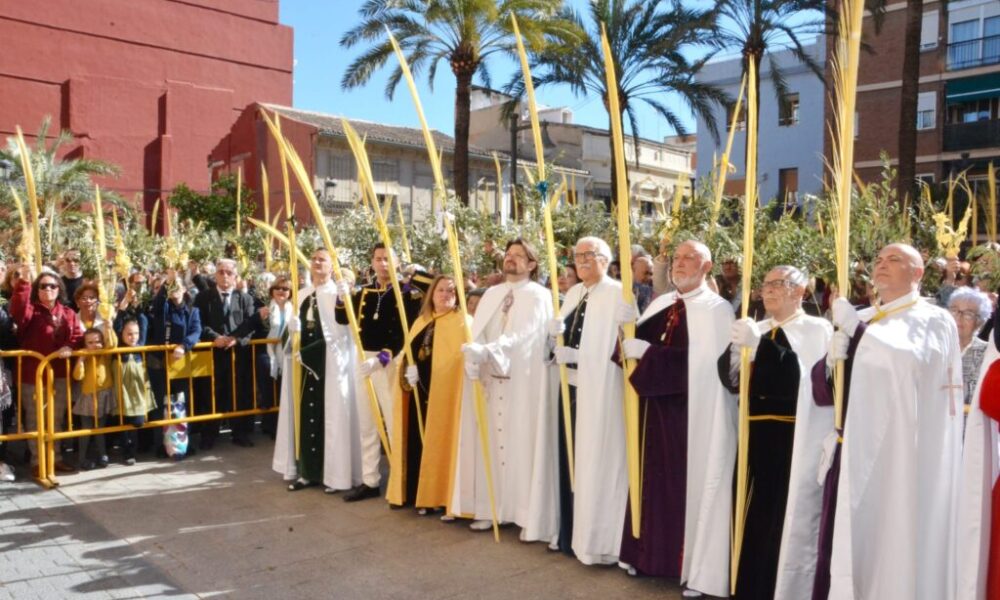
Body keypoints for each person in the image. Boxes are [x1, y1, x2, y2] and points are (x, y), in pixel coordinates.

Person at [814, 243, 962, 600]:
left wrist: (859, 334)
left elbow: (908, 366)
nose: (881, 265)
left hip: (899, 456)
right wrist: (830, 364)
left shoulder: (934, 319)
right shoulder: (863, 317)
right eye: (878, 259)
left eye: (894, 260)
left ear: (918, 274)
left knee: (889, 541)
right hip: (851, 449)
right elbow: (824, 395)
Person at [615, 240, 735, 598]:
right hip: (652, 413)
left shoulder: (716, 309)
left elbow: (703, 368)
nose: (680, 264)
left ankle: (683, 563)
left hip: (690, 418)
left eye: (689, 258)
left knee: (680, 488)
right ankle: (645, 555)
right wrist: (627, 332)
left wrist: (648, 353)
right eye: (677, 258)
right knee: (649, 482)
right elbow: (629, 355)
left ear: (707, 266)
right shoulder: (662, 301)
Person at [721, 266, 833, 600]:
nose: (768, 290)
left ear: (800, 291)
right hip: (752, 430)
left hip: (789, 436)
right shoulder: (761, 326)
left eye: (779, 284)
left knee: (777, 515)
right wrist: (734, 353)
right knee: (749, 511)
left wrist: (762, 348)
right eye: (765, 284)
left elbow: (804, 380)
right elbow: (733, 381)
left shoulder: (816, 328)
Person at [452, 239, 557, 543]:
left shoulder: (539, 296)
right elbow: (480, 329)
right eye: (508, 255)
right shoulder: (493, 293)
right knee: (488, 440)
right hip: (490, 379)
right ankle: (490, 508)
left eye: (518, 256)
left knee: (521, 444)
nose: (510, 259)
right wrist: (475, 354)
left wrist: (489, 351)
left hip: (521, 383)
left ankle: (525, 513)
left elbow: (526, 337)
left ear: (532, 264)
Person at [549, 236, 628, 565]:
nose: (581, 260)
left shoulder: (616, 294)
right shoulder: (574, 293)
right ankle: (569, 532)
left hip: (599, 391)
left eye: (589, 255)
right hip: (569, 386)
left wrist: (579, 355)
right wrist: (552, 338)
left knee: (594, 459)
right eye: (577, 255)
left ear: (605, 260)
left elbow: (617, 347)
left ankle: (595, 539)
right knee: (569, 458)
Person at [335, 243, 430, 502]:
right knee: (367, 423)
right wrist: (341, 297)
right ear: (372, 262)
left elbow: (405, 330)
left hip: (389, 359)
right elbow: (344, 319)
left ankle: (400, 481)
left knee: (393, 421)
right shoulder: (364, 291)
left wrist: (384, 358)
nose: (383, 264)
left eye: (388, 259)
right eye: (378, 259)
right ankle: (370, 480)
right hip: (363, 359)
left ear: (397, 263)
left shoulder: (407, 292)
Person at [274, 250, 362, 493]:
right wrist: (291, 332)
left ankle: (333, 474)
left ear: (332, 266)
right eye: (313, 259)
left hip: (330, 369)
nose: (316, 263)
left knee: (330, 416)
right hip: (304, 371)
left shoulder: (337, 295)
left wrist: (310, 353)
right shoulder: (302, 295)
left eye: (322, 259)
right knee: (304, 415)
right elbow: (288, 341)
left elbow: (343, 336)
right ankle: (306, 472)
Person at [387, 275, 469, 514]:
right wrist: (406, 370)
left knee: (439, 443)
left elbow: (458, 359)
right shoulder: (421, 321)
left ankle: (434, 496)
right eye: (441, 290)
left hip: (443, 396)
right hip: (417, 394)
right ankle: (412, 494)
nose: (445, 295)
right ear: (432, 294)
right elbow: (407, 353)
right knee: (415, 441)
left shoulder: (463, 322)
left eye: (451, 292)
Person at [10, 265, 81, 473]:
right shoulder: (30, 311)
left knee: (56, 418)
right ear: (37, 289)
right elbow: (17, 310)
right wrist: (23, 281)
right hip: (32, 375)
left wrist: (70, 346)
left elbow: (77, 336)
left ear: (59, 288)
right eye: (42, 286)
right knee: (34, 418)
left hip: (58, 375)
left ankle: (55, 457)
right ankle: (37, 461)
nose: (48, 289)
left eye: (52, 285)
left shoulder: (67, 313)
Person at [193, 258, 257, 450]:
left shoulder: (244, 298)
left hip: (238, 355)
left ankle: (240, 433)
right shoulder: (203, 297)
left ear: (235, 276)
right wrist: (215, 337)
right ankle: (209, 435)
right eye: (221, 272)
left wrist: (236, 339)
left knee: (239, 393)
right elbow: (198, 323)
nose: (225, 276)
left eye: (229, 272)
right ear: (215, 275)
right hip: (213, 354)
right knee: (211, 394)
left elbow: (251, 326)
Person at [146, 276, 202, 457]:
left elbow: (196, 331)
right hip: (159, 363)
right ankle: (160, 445)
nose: (175, 290)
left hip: (180, 364)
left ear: (185, 289)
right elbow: (158, 301)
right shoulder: (163, 308)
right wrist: (167, 281)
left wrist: (184, 345)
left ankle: (184, 442)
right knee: (160, 403)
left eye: (178, 286)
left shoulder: (192, 310)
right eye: (171, 287)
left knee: (182, 402)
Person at [115, 319, 157, 466]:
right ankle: (128, 452)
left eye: (136, 333)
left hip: (138, 392)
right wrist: (122, 308)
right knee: (124, 422)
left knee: (138, 421)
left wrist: (137, 302)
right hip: (124, 391)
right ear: (122, 334)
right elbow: (116, 326)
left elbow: (144, 321)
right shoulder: (118, 349)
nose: (133, 337)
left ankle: (138, 446)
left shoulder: (140, 346)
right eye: (129, 334)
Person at [71, 328, 114, 470]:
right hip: (88, 396)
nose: (94, 345)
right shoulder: (84, 355)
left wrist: (108, 325)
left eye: (98, 341)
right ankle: (82, 458)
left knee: (100, 428)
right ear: (84, 344)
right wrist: (81, 360)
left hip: (103, 394)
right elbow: (78, 376)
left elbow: (112, 343)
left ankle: (102, 454)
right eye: (90, 342)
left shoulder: (105, 354)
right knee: (86, 429)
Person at [257, 276, 294, 439]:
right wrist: (260, 319)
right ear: (272, 291)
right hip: (268, 352)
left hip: (287, 352)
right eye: (278, 288)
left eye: (285, 289)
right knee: (268, 383)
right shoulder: (264, 309)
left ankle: (283, 426)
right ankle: (269, 425)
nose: (281, 291)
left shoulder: (295, 309)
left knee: (283, 389)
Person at [947, 287, 991, 411]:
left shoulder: (988, 354)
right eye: (955, 310)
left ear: (980, 322)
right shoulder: (933, 349)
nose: (959, 318)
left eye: (968, 314)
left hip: (970, 427)